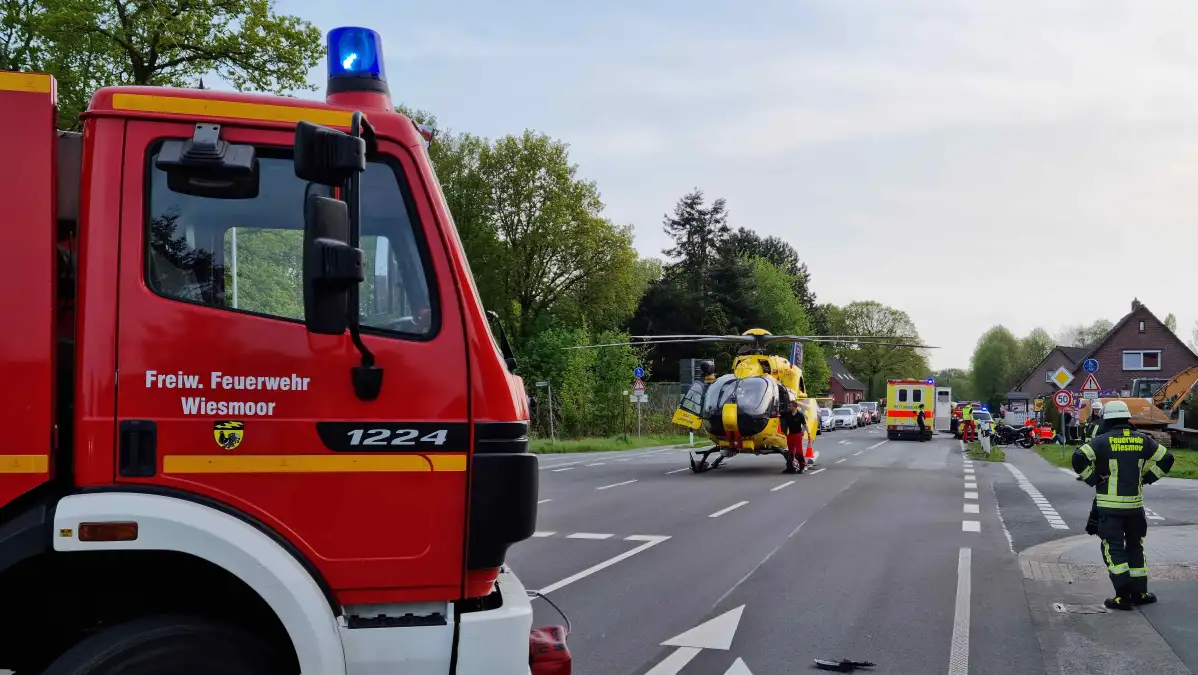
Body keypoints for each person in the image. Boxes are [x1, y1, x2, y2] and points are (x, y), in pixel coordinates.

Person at [1072, 400, 1175, 610]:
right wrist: (1147, 478)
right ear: (1128, 418)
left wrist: (1092, 478)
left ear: (1107, 420)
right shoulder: (1143, 440)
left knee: (1114, 548)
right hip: (1135, 509)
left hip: (1110, 510)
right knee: (1136, 546)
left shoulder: (1101, 441)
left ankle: (1122, 596)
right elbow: (1167, 459)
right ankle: (1140, 593)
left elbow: (1078, 457)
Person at [781, 400, 808, 474]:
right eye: (789, 406)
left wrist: (807, 432)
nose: (789, 407)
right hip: (790, 435)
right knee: (790, 452)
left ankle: (802, 466)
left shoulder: (800, 415)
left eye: (790, 406)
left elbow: (804, 424)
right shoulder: (787, 414)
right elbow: (779, 415)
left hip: (798, 435)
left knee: (799, 452)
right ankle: (790, 467)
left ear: (795, 407)